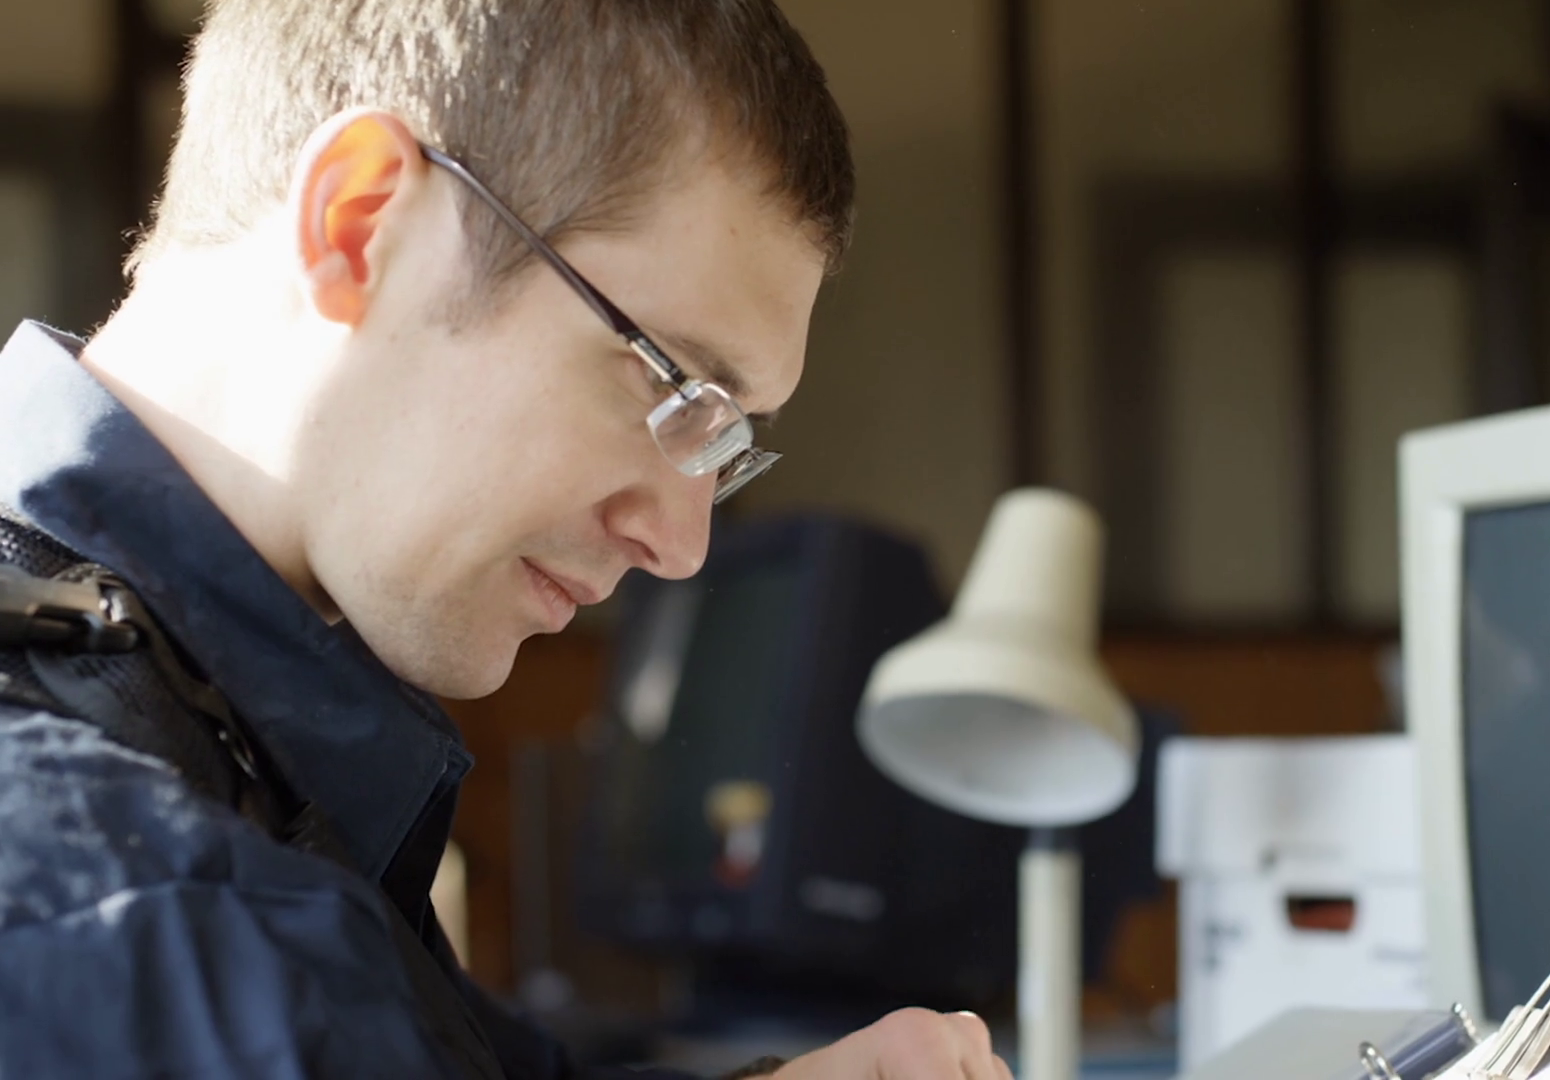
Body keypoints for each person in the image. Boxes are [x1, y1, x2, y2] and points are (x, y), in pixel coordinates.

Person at [0, 1, 1011, 1077]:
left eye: (720, 441)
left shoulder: (224, 760)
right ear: (362, 220)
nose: (680, 544)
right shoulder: (134, 909)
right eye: (671, 383)